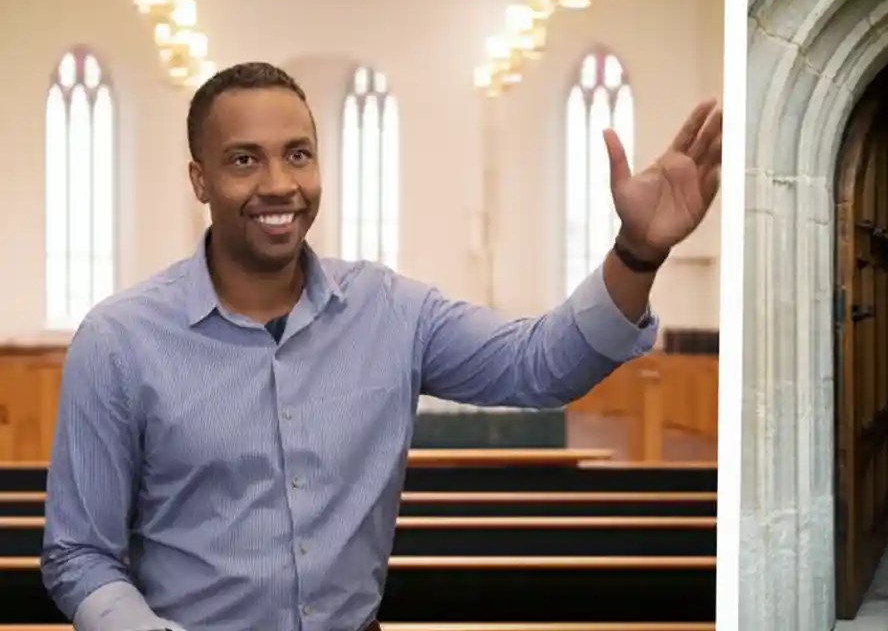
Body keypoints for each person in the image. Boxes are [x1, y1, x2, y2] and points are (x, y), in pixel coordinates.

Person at [41, 62, 723, 631]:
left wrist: (637, 252)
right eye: (244, 160)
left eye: (298, 154)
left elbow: (539, 366)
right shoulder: (119, 342)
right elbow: (78, 554)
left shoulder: (391, 312)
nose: (278, 184)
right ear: (200, 180)